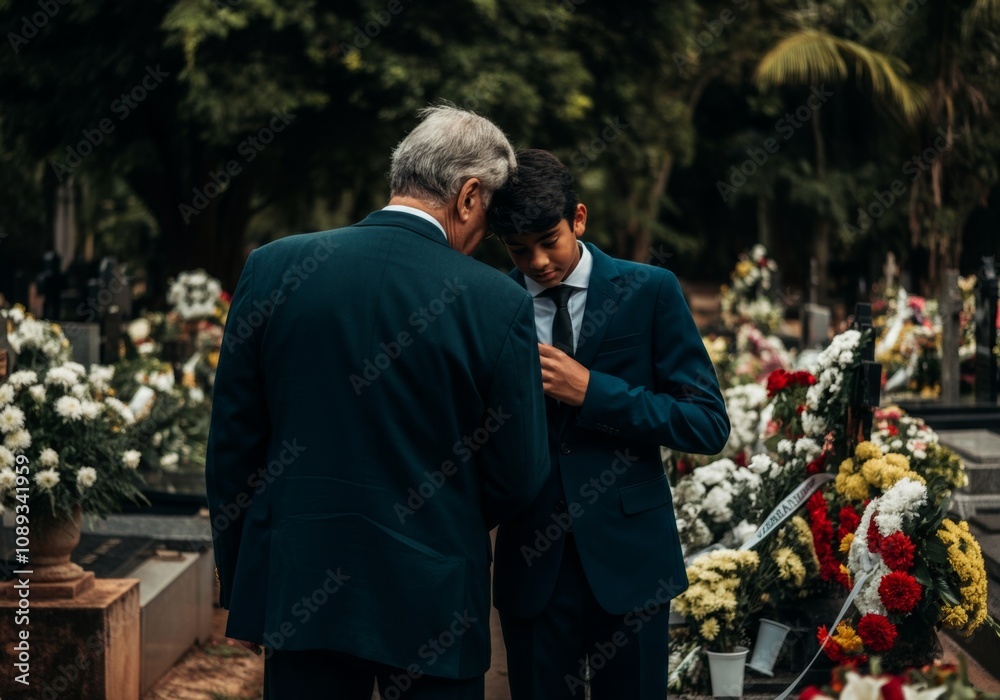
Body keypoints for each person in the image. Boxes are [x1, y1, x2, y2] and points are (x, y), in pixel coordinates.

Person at [206, 106, 551, 699]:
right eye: (489, 216)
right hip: (433, 595)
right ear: (469, 196)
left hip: (301, 583)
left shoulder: (272, 269)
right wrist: (444, 510)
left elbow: (234, 446)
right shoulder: (497, 302)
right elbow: (518, 471)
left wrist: (249, 585)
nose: (484, 236)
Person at [488, 149, 730, 699]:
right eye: (519, 249)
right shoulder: (491, 304)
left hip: (633, 560)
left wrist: (593, 392)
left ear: (578, 218)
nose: (538, 262)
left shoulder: (650, 290)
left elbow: (706, 422)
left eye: (548, 241)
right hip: (532, 565)